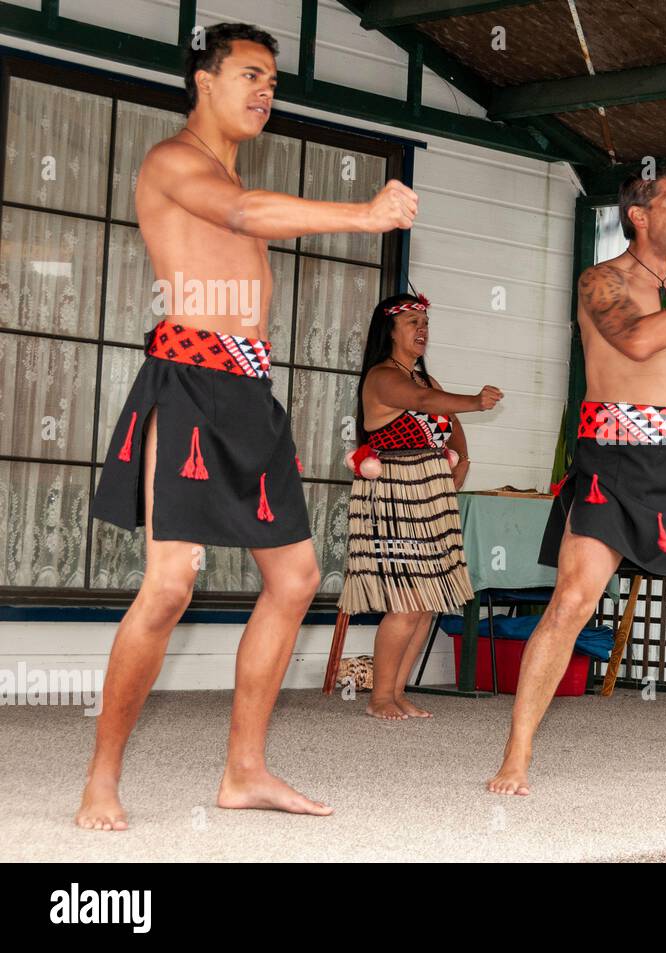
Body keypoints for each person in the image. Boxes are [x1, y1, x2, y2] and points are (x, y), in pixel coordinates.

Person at [78, 23, 418, 830]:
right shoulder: (173, 162)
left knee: (296, 578)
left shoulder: (233, 169)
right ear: (204, 79)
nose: (266, 91)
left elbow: (250, 210)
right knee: (168, 585)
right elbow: (241, 211)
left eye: (274, 80)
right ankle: (100, 778)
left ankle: (244, 770)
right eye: (250, 75)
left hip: (248, 394)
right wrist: (365, 216)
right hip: (186, 385)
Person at [488, 166, 666, 796]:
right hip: (609, 462)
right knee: (570, 605)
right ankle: (515, 755)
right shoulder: (602, 280)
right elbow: (640, 342)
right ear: (639, 215)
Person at [338, 292, 503, 720]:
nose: (422, 328)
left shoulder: (424, 380)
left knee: (427, 601)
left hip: (431, 494)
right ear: (389, 330)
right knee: (408, 600)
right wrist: (474, 399)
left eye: (425, 320)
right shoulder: (381, 378)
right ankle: (378, 698)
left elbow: (449, 421)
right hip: (395, 494)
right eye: (412, 321)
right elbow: (427, 405)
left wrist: (463, 460)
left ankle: (396, 691)